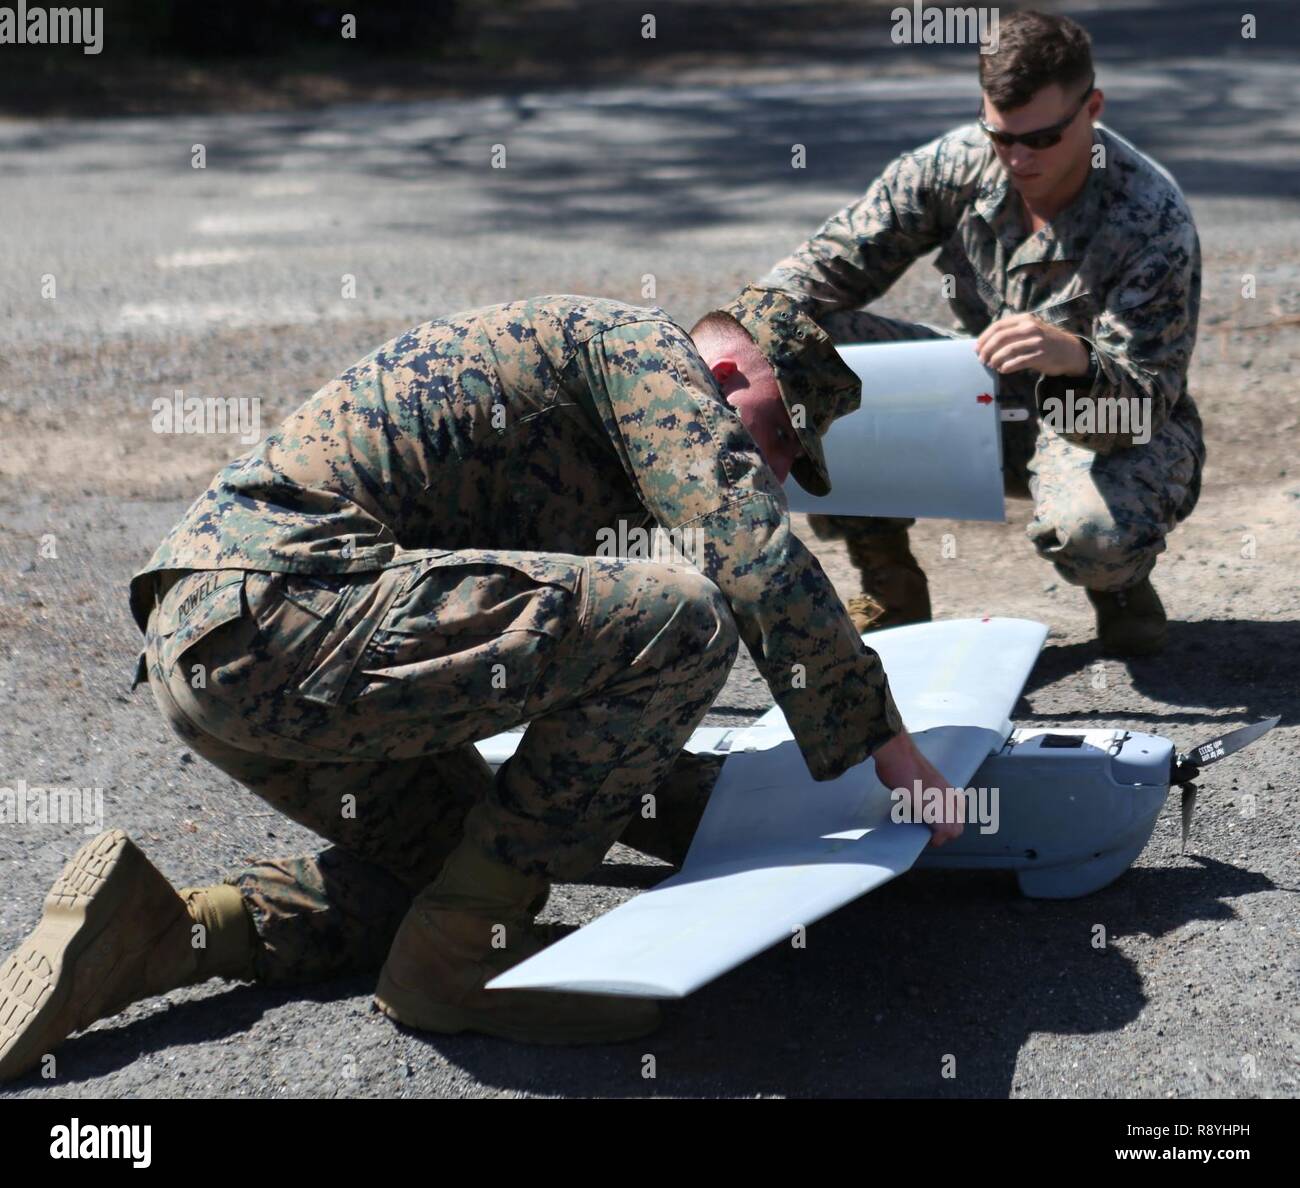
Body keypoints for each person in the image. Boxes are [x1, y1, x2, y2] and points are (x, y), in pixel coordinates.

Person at [0, 288, 961, 1079]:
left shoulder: (580, 438)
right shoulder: (641, 355)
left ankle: (162, 934)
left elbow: (568, 684)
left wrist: (694, 810)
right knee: (688, 615)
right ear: (726, 375)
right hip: (289, 617)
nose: (779, 471)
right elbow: (748, 554)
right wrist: (889, 748)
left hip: (222, 651)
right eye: (785, 437)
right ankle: (459, 967)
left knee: (448, 872)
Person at [759, 10, 1204, 656]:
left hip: (1101, 415)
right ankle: (890, 584)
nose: (1019, 158)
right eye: (1001, 135)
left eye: (1044, 138)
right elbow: (825, 266)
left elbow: (1143, 405)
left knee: (1096, 534)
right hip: (981, 395)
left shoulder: (1150, 216)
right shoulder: (956, 166)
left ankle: (1119, 584)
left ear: (1093, 108)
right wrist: (733, 336)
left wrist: (1073, 358)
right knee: (797, 343)